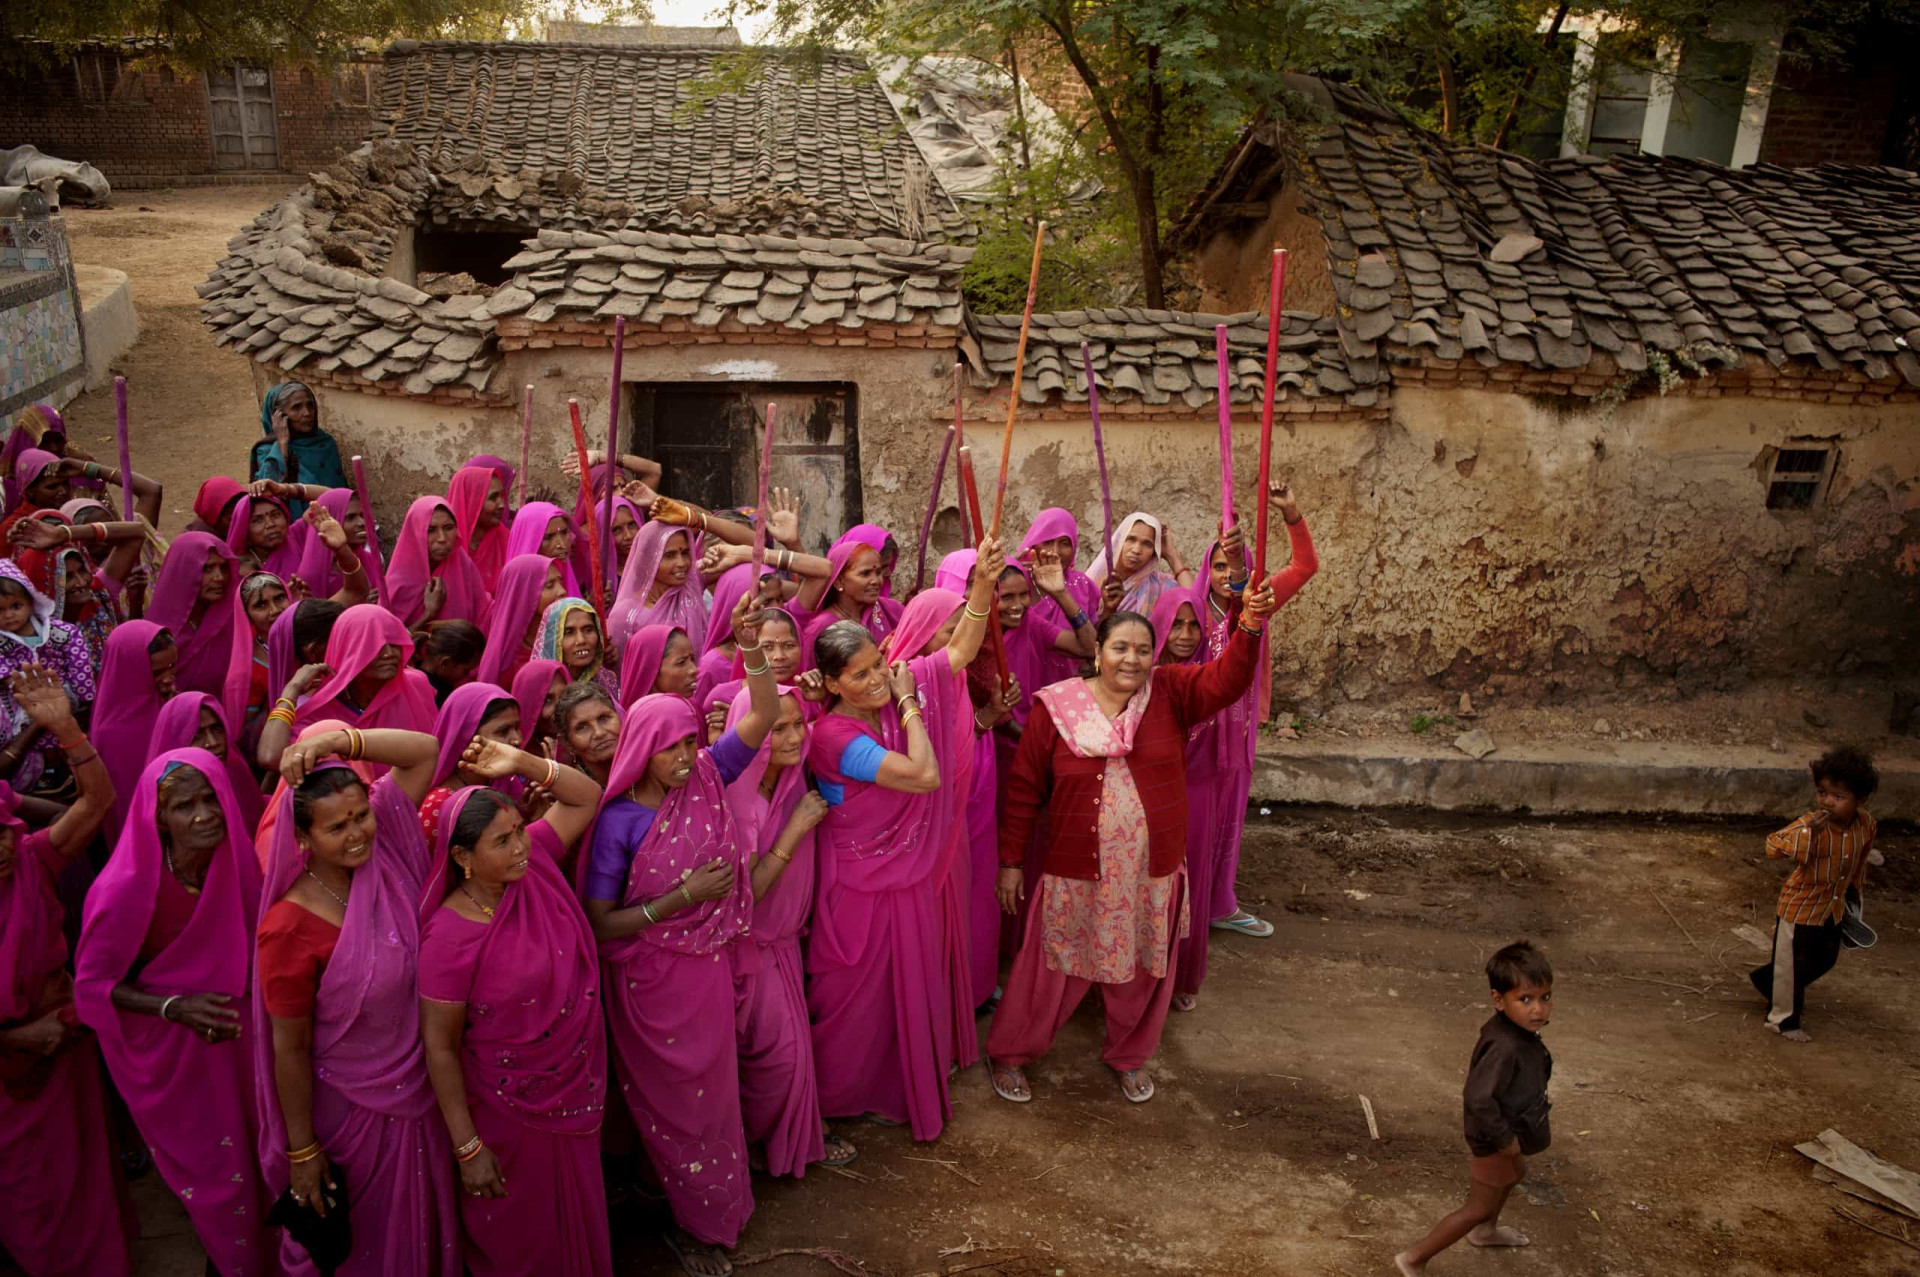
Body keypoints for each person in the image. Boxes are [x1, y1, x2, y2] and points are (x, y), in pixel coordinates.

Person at [986, 579, 1276, 1106]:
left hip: (1150, 872)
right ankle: (1010, 1053)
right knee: (1051, 967)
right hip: (1075, 869)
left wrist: (1249, 626)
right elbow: (1025, 790)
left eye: (1143, 649)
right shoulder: (1057, 708)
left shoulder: (1170, 691)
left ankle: (1128, 1055)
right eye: (1120, 647)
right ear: (1097, 652)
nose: (1132, 659)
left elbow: (1228, 680)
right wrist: (1010, 862)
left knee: (1140, 970)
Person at [583, 584, 778, 1277]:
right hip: (651, 981)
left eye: (690, 742)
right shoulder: (618, 823)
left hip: (706, 970)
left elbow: (762, 720)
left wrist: (752, 648)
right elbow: (602, 922)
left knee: (714, 1098)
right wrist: (680, 898)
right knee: (674, 1104)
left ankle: (711, 1211)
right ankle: (690, 1224)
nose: (683, 756)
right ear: (642, 748)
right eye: (669, 747)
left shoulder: (702, 775)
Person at [806, 536, 1003, 1141]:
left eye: (875, 667)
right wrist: (909, 703)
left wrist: (984, 587)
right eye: (857, 676)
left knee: (903, 993)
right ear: (833, 684)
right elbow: (923, 775)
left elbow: (962, 648)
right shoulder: (837, 736)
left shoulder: (893, 687)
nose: (872, 683)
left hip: (905, 876)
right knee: (855, 1006)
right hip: (860, 888)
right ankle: (842, 1099)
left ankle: (894, 1087)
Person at [254, 725, 458, 1275]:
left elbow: (424, 752)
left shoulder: (386, 848)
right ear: (301, 838)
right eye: (335, 827)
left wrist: (339, 741)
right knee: (366, 1242)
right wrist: (302, 1150)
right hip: (351, 1109)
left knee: (417, 1228)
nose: (356, 835)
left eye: (361, 815)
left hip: (422, 1089)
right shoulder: (288, 927)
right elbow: (289, 1049)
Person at [75, 745, 278, 1273]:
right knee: (218, 1177)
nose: (205, 814)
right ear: (159, 817)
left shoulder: (235, 865)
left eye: (212, 798)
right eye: (185, 806)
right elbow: (93, 985)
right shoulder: (123, 889)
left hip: (244, 1044)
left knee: (266, 1161)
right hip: (177, 1056)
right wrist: (174, 1007)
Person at [418, 737, 610, 1277]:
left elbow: (585, 797)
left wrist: (523, 763)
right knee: (521, 1239)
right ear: (461, 857)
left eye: (520, 831)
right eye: (502, 841)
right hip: (507, 1116)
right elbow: (440, 1048)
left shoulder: (536, 867)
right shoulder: (448, 940)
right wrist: (468, 1147)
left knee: (576, 1215)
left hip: (573, 1091)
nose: (520, 846)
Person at [0, 670, 132, 1277]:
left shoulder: (31, 861)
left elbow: (96, 804)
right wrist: (16, 1039)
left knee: (85, 1179)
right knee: (30, 1204)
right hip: (10, 1072)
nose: (5, 844)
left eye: (5, 829)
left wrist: (68, 731)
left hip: (63, 1050)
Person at [719, 681, 852, 1177]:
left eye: (799, 723)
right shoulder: (738, 798)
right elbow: (743, 897)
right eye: (778, 728)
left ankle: (776, 1143)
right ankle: (760, 1148)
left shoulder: (795, 776)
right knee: (779, 1060)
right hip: (751, 950)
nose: (796, 736)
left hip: (788, 944)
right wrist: (795, 831)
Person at [1394, 941, 1554, 1276]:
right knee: (1476, 1207)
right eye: (1524, 999)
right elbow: (1478, 1098)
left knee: (1515, 1175)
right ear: (1498, 1000)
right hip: (1493, 1137)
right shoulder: (1505, 1047)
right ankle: (1413, 1258)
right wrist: (1504, 1139)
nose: (1537, 1009)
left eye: (1544, 997)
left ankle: (1485, 1232)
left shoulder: (1516, 1033)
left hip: (1506, 1130)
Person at [1748, 746, 1879, 1043]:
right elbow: (1772, 846)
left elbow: (1860, 860)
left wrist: (1855, 894)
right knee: (1793, 962)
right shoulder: (1811, 824)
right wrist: (1808, 834)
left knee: (1825, 959)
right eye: (1822, 793)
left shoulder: (1865, 825)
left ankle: (1768, 981)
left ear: (1860, 800)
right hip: (1800, 906)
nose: (1828, 802)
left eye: (1838, 796)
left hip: (1832, 905)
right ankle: (1782, 1020)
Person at [0, 560, 97, 798]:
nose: (9, 616)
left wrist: (75, 694)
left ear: (30, 602)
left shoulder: (59, 633)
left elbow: (79, 664)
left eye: (15, 606)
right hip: (19, 712)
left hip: (64, 704)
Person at [289, 604, 440, 747]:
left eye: (394, 644)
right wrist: (291, 690)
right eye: (375, 646)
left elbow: (438, 750)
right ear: (349, 652)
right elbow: (272, 757)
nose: (389, 654)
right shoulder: (322, 715)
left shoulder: (415, 684)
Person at [149, 691, 267, 833]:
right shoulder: (161, 798)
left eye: (217, 729)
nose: (212, 743)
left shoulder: (237, 773)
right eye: (197, 735)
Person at [145, 530, 239, 697]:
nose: (220, 577)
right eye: (208, 568)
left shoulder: (232, 622)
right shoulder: (156, 629)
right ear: (184, 571)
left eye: (224, 567)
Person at [1017, 508, 1102, 686]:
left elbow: (1092, 647)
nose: (1055, 551)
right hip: (1019, 687)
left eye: (1064, 543)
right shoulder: (1015, 584)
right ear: (1033, 543)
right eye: (1047, 542)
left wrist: (1061, 594)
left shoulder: (1082, 585)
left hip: (1069, 690)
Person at [385, 496, 492, 628]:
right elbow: (389, 645)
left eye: (448, 528)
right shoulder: (399, 582)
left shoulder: (463, 565)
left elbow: (483, 616)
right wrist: (429, 614)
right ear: (415, 533)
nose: (442, 538)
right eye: (431, 530)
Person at [249, 381, 349, 513]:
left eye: (310, 405)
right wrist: (282, 443)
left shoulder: (325, 443)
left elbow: (341, 491)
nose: (307, 413)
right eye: (296, 407)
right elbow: (266, 490)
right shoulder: (267, 450)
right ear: (278, 415)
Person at [608, 517, 705, 651]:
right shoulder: (625, 616)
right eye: (670, 555)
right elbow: (624, 668)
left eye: (685, 553)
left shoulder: (691, 584)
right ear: (649, 560)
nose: (682, 563)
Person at [474, 555, 566, 688]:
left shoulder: (569, 637)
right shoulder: (504, 659)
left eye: (560, 582)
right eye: (550, 586)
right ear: (525, 593)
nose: (562, 591)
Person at [1087, 512, 1196, 615]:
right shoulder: (1092, 582)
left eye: (1147, 544)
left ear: (1154, 551)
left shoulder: (1158, 585)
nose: (1137, 550)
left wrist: (1171, 555)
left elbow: (1195, 601)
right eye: (1131, 539)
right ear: (1119, 540)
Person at [291, 488, 386, 601]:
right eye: (350, 518)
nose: (362, 523)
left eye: (362, 516)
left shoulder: (371, 559)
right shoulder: (310, 576)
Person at [537, 596, 620, 700]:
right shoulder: (543, 692)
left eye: (588, 629)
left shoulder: (608, 681)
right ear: (552, 640)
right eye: (568, 632)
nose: (581, 640)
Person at [448, 465, 510, 592]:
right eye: (493, 498)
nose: (502, 504)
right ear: (472, 501)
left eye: (502, 496)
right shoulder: (447, 548)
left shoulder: (505, 541)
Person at [506, 502, 584, 597]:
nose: (562, 545)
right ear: (530, 543)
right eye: (548, 537)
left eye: (564, 532)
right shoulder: (519, 596)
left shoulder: (567, 576)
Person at [554, 680, 619, 787]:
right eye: (582, 727)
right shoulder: (573, 794)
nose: (599, 733)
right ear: (567, 743)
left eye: (603, 718)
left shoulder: (649, 769)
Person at [618, 624, 699, 708]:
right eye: (681, 662)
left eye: (692, 659)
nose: (694, 670)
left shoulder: (693, 708)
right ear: (651, 672)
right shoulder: (655, 716)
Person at [414, 619, 485, 705]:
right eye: (466, 670)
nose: (468, 675)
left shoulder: (440, 685)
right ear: (445, 663)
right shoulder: (431, 695)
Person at [512, 658, 569, 755]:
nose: (561, 709)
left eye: (565, 696)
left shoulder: (584, 746)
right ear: (528, 706)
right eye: (547, 699)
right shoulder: (514, 756)